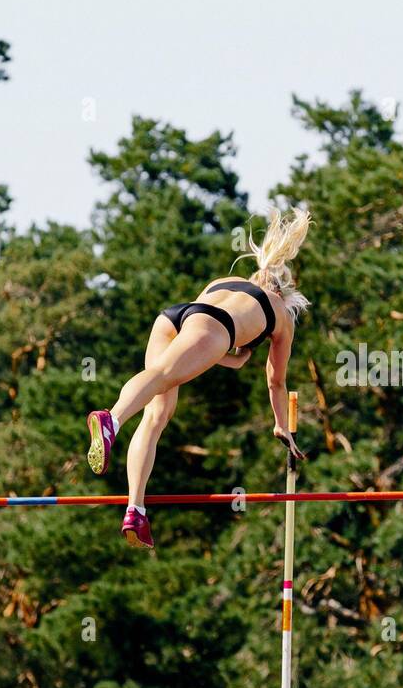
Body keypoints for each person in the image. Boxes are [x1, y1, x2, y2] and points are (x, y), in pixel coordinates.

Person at [86, 209, 310, 547]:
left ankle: (136, 509)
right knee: (160, 380)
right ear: (284, 293)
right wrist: (281, 425)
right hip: (212, 327)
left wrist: (228, 358)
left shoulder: (223, 283)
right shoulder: (280, 314)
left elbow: (198, 329)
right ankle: (112, 420)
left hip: (174, 316)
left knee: (156, 412)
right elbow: (275, 381)